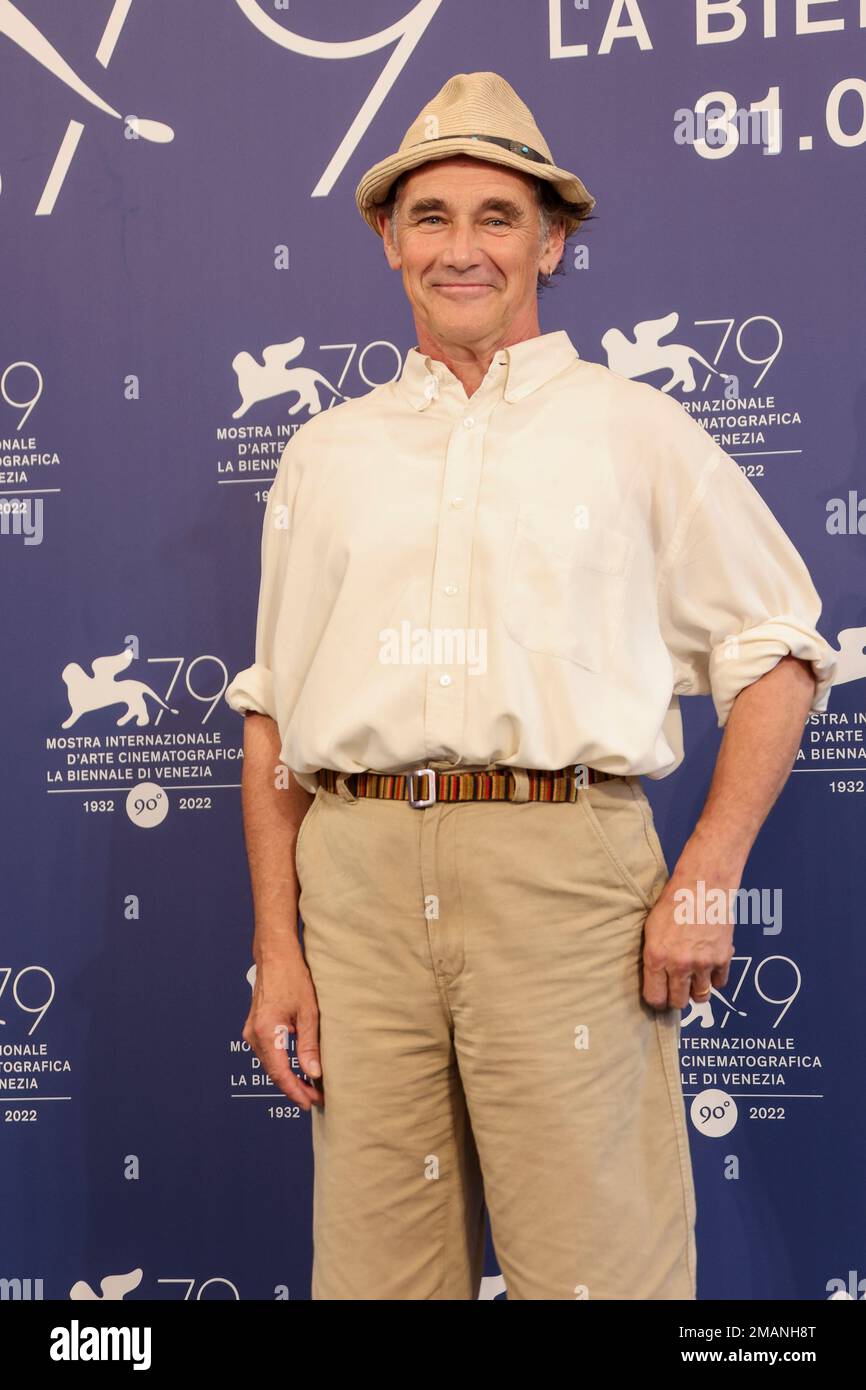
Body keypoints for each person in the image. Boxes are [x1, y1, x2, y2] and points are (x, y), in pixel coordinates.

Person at [225, 71, 837, 1300]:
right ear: (389, 239)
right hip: (357, 894)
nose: (462, 248)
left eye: (496, 217)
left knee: (595, 1272)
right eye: (432, 216)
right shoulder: (324, 452)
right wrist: (277, 950)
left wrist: (705, 873)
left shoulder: (634, 431)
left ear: (551, 242)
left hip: (564, 888)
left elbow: (777, 652)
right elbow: (277, 716)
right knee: (377, 1279)